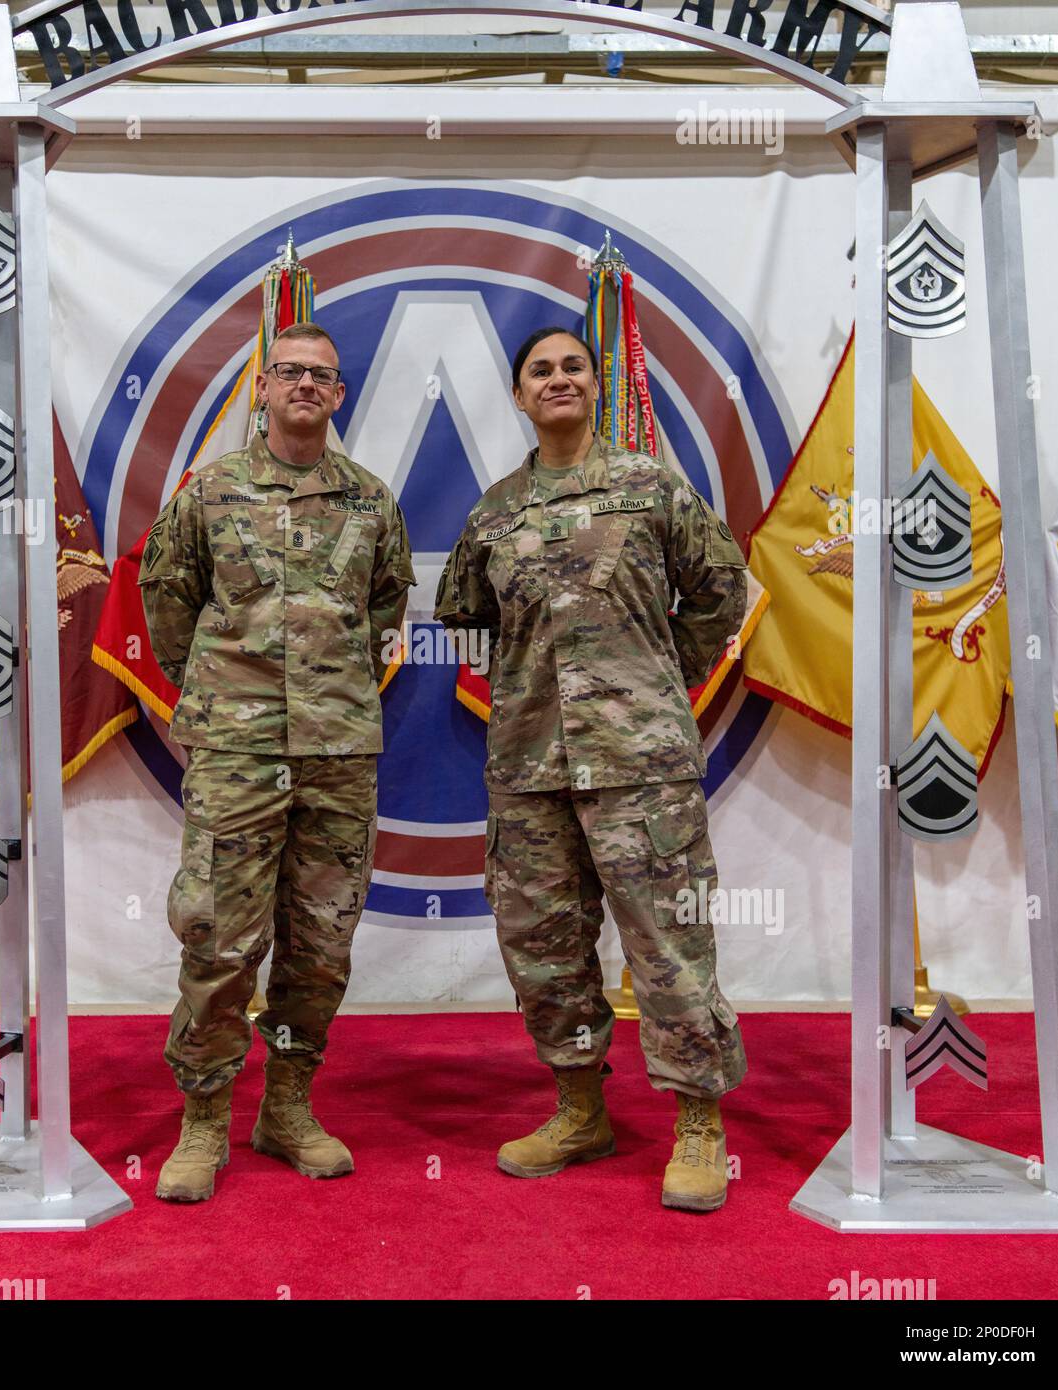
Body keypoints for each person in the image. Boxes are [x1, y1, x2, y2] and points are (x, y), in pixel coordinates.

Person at [434, 326, 748, 1211]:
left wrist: (651, 678)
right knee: (545, 952)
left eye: (574, 366)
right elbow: (463, 610)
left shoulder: (649, 486)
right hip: (529, 767)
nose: (560, 378)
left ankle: (697, 1121)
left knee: (667, 946)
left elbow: (722, 587)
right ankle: (579, 1110)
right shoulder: (495, 510)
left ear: (596, 384)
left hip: (641, 766)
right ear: (520, 396)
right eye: (542, 371)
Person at [139, 322, 414, 1202]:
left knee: (320, 944)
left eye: (321, 376)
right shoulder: (208, 493)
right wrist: (226, 695)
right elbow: (169, 600)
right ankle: (205, 1117)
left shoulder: (371, 501)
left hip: (338, 754)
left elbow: (385, 607)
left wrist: (331, 693)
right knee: (218, 934)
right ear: (262, 387)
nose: (304, 385)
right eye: (288, 372)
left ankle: (288, 1106)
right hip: (237, 751)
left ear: (339, 396)